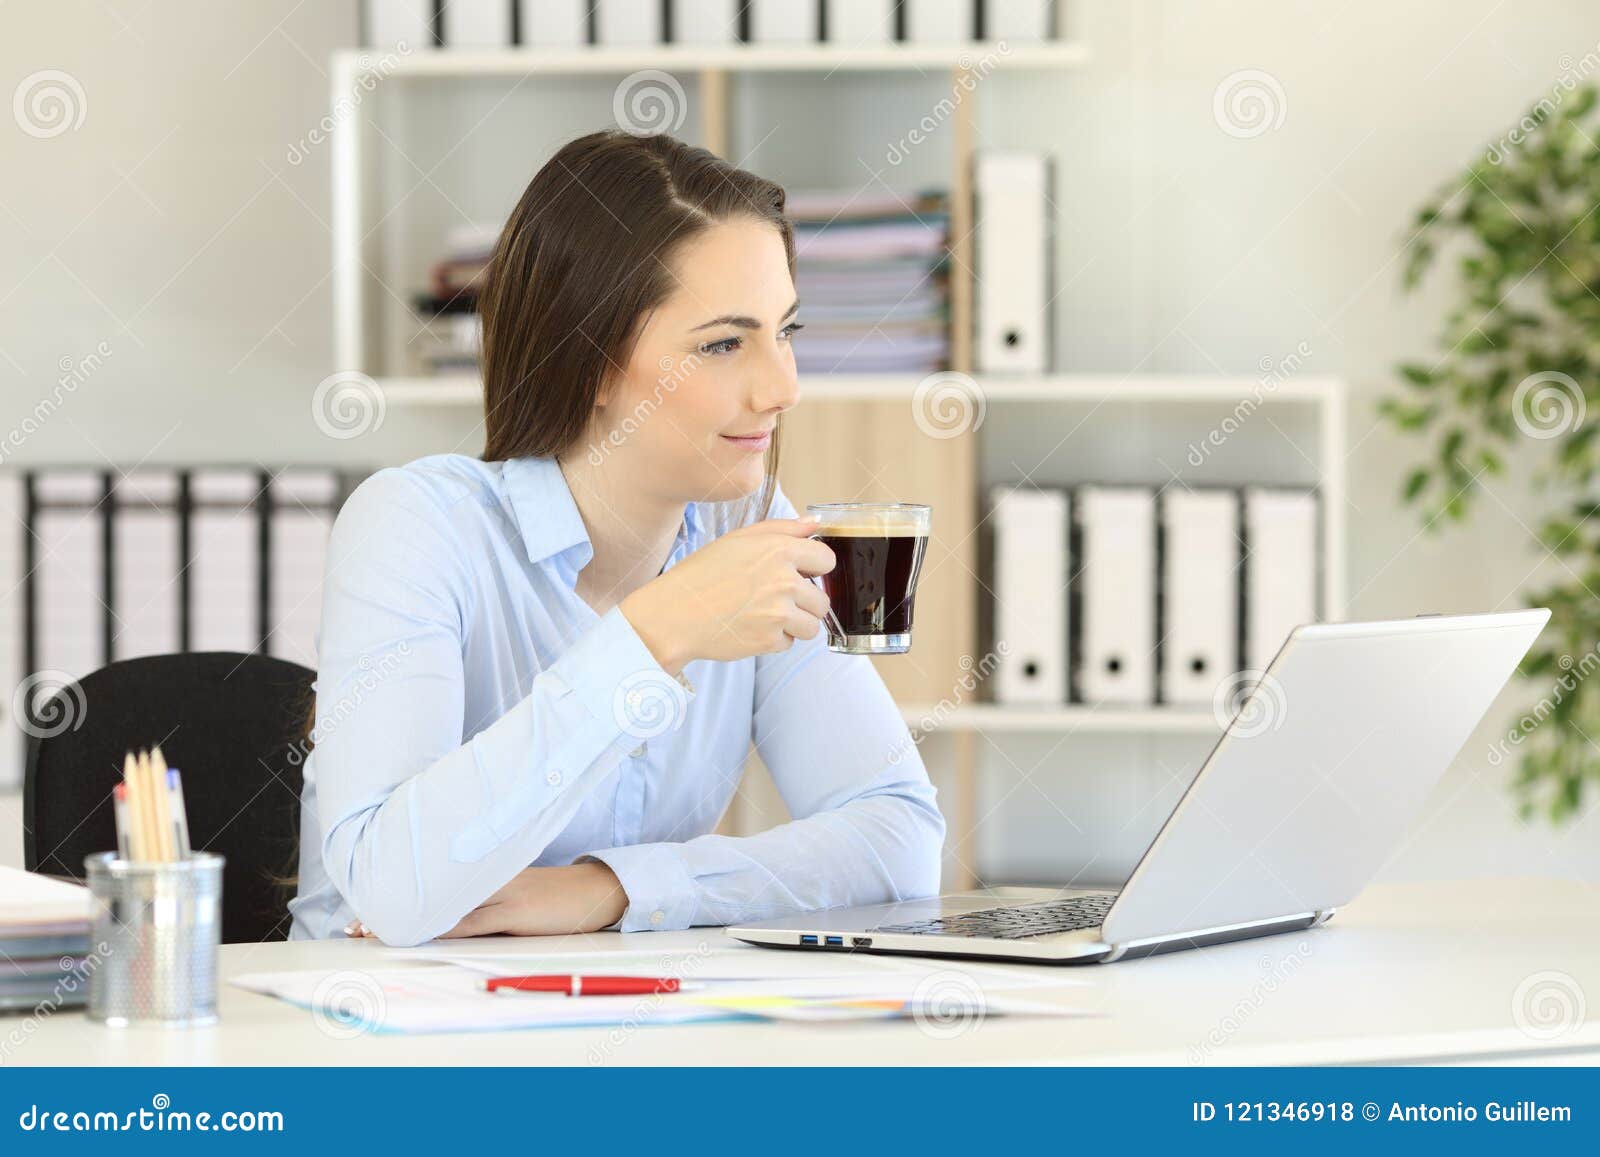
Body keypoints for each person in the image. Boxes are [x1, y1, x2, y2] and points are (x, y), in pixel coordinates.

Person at [286, 131, 945, 946]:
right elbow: (393, 892)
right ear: (591, 363)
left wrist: (612, 889)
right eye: (723, 344)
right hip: (365, 1043)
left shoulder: (749, 528)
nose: (783, 386)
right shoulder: (414, 526)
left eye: (787, 332)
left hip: (607, 1022)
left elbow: (899, 839)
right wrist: (656, 632)